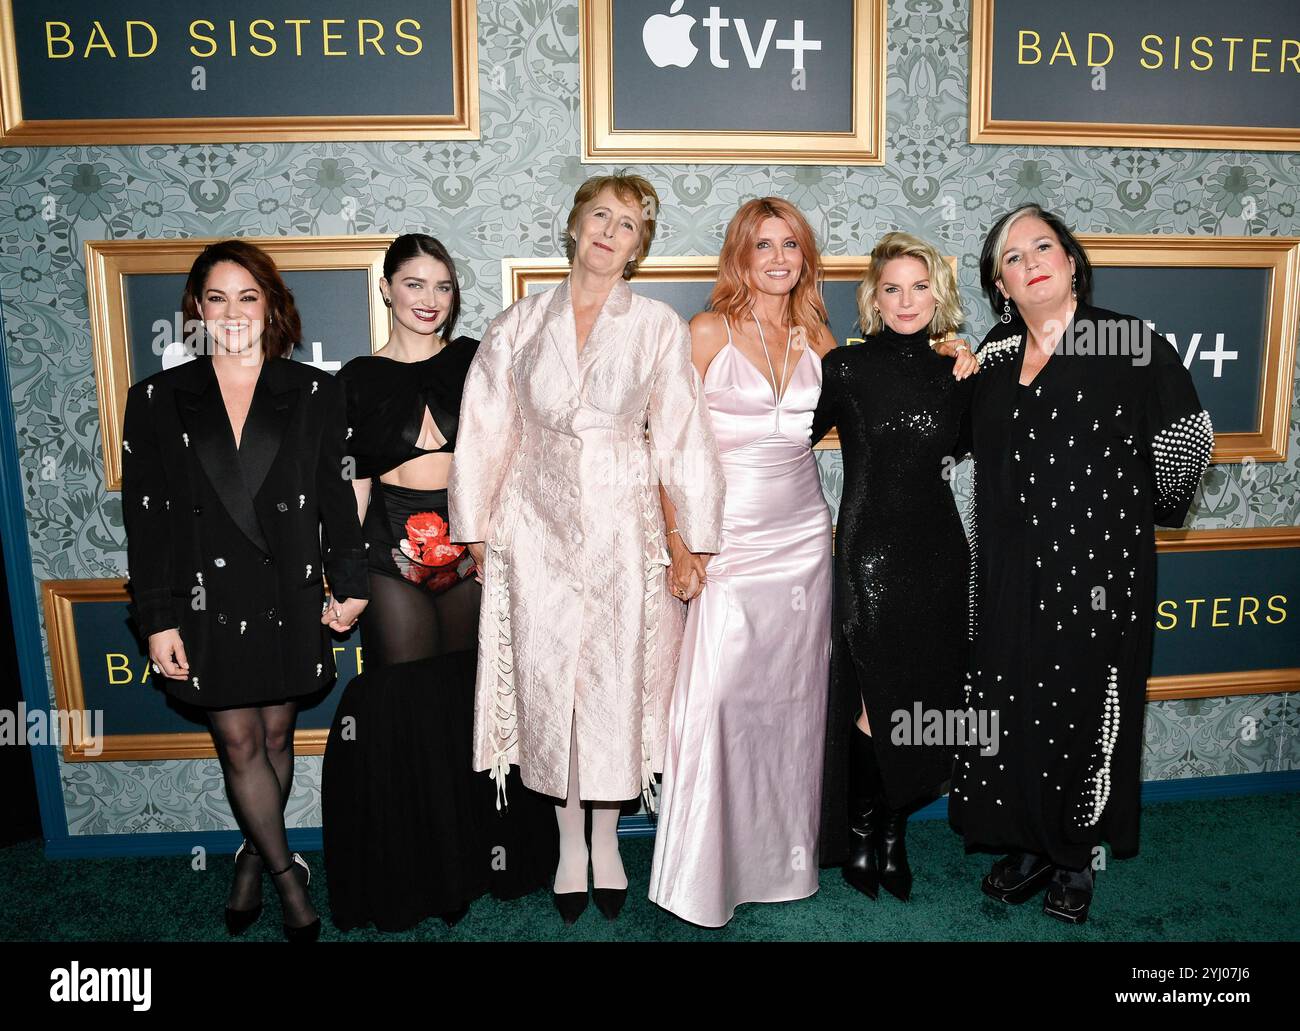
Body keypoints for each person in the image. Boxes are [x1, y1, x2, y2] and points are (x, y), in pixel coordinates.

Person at [448, 174, 725, 924]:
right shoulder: (518, 323)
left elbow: (679, 432)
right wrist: (474, 528)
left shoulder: (658, 326)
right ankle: (568, 840)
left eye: (628, 223)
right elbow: (486, 427)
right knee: (548, 686)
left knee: (612, 683)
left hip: (623, 527)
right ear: (573, 226)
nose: (610, 230)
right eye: (599, 214)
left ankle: (606, 838)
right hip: (531, 526)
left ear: (639, 246)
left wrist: (691, 538)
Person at [950, 204, 1213, 923]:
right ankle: (1028, 844)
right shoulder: (996, 352)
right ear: (999, 283)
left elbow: (1188, 438)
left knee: (1081, 705)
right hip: (1007, 570)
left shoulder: (1126, 339)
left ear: (1070, 262)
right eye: (1012, 255)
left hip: (1096, 569)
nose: (1030, 259)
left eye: (1044, 245)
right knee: (1010, 703)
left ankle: (1074, 854)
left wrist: (1136, 523)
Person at [122, 239, 369, 942]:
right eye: (217, 298)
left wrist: (348, 582)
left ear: (272, 306)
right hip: (203, 597)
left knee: (276, 732)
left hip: (286, 592)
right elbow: (146, 520)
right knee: (238, 741)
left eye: (248, 296)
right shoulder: (157, 397)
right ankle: (287, 871)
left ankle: (252, 856)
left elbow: (334, 496)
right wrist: (157, 619)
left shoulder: (315, 390)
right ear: (196, 308)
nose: (232, 312)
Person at [321, 234, 557, 932]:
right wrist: (345, 577)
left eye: (444, 286)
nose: (429, 300)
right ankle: (422, 871)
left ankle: (475, 862)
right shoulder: (357, 377)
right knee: (404, 707)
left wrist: (510, 550)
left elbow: (512, 459)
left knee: (471, 702)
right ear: (388, 288)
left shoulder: (476, 362)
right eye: (415, 284)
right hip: (390, 549)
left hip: (472, 547)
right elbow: (354, 483)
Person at [646, 198, 835, 926]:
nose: (780, 257)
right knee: (719, 700)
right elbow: (665, 444)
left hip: (803, 542)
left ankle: (780, 866)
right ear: (741, 255)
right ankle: (702, 875)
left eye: (792, 244)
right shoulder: (706, 332)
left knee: (791, 705)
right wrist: (679, 541)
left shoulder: (819, 334)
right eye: (765, 244)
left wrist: (946, 356)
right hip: (728, 539)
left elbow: (874, 401)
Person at [812, 231, 980, 903]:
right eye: (892, 288)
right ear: (873, 298)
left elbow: (979, 443)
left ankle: (892, 836)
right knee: (871, 701)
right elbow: (784, 443)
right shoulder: (843, 368)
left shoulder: (957, 371)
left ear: (938, 296)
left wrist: (966, 358)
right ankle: (862, 835)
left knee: (919, 700)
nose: (906, 300)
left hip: (940, 556)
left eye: (920, 287)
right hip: (869, 555)